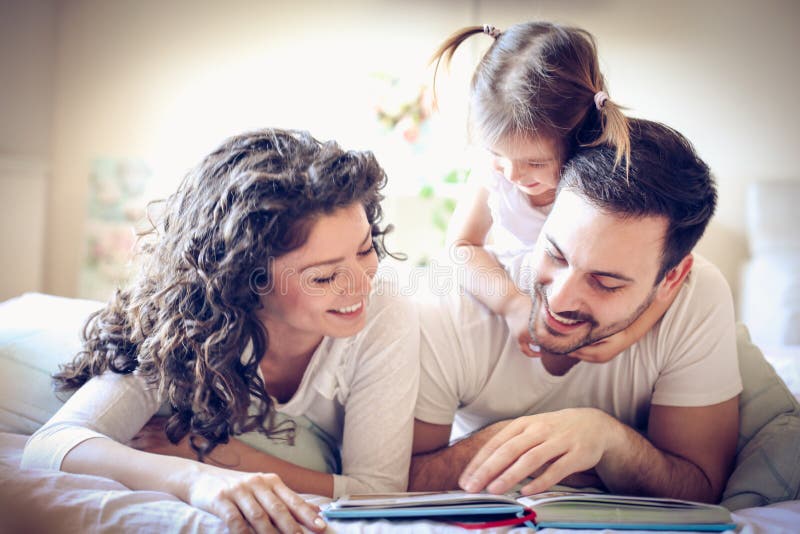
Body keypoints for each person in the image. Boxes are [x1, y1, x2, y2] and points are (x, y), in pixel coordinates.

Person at [22, 129, 420, 534]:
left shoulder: (383, 314)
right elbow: (51, 444)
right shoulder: (185, 324)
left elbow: (378, 493)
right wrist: (191, 479)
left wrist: (213, 454)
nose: (360, 285)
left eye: (365, 249)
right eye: (323, 277)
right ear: (245, 279)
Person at [411, 119, 742, 505]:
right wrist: (525, 440)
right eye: (555, 253)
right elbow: (392, 480)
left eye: (606, 282)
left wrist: (608, 440)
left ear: (670, 280)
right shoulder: (454, 299)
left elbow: (701, 487)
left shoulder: (697, 295)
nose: (561, 300)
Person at [433, 22, 667, 360]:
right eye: (497, 153)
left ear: (582, 139)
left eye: (536, 162)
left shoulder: (606, 188)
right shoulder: (494, 175)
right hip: (517, 310)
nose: (512, 173)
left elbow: (669, 274)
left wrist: (629, 335)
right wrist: (511, 303)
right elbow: (460, 246)